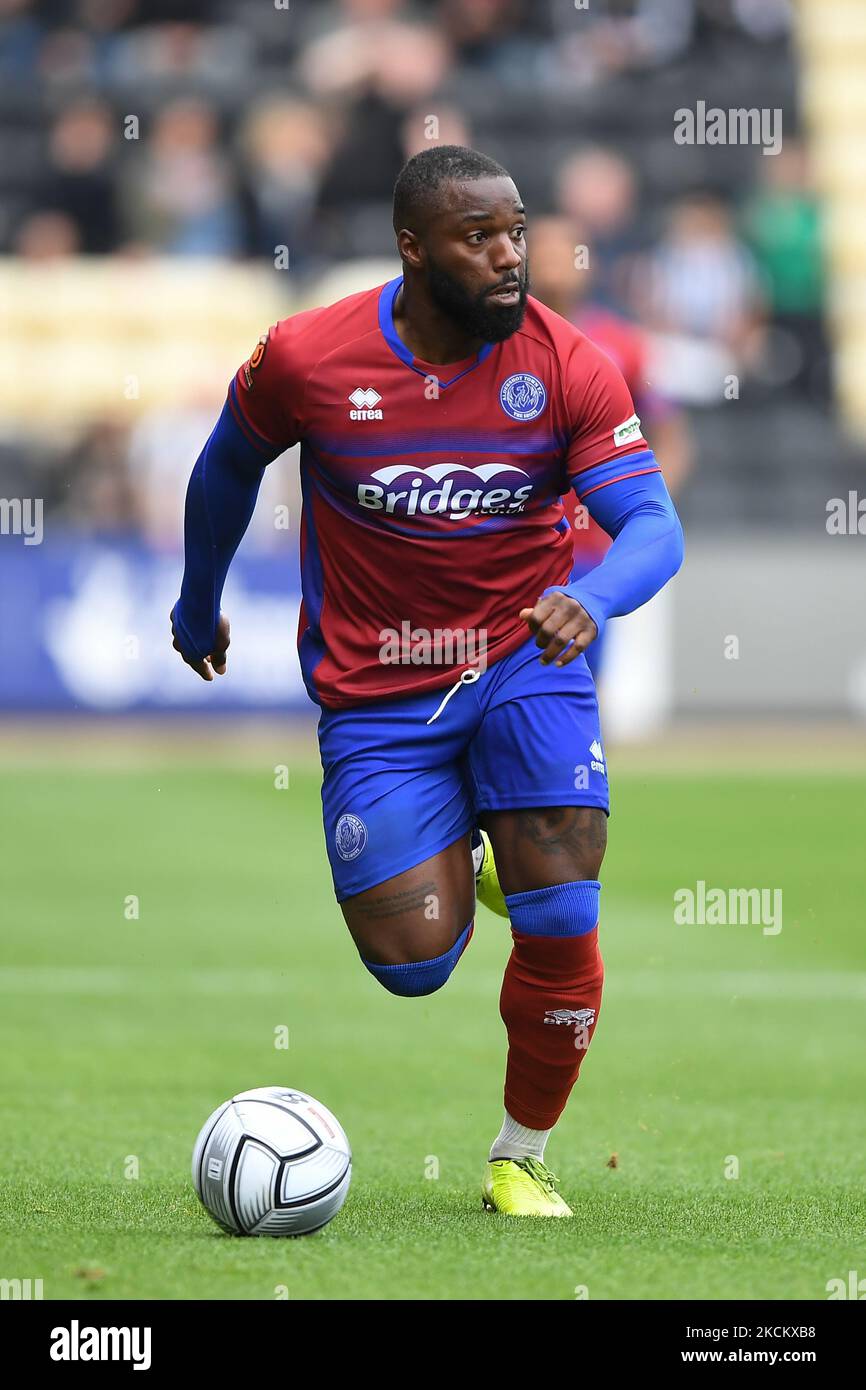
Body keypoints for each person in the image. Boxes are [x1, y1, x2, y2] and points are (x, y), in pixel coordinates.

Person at [170, 146, 684, 1217]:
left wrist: (590, 595)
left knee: (562, 901)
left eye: (516, 231)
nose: (509, 258)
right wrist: (195, 597)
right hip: (377, 688)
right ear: (413, 248)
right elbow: (225, 463)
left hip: (522, 659)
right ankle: (481, 851)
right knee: (411, 962)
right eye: (478, 238)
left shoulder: (568, 362)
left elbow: (653, 524)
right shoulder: (309, 356)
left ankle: (519, 1154)